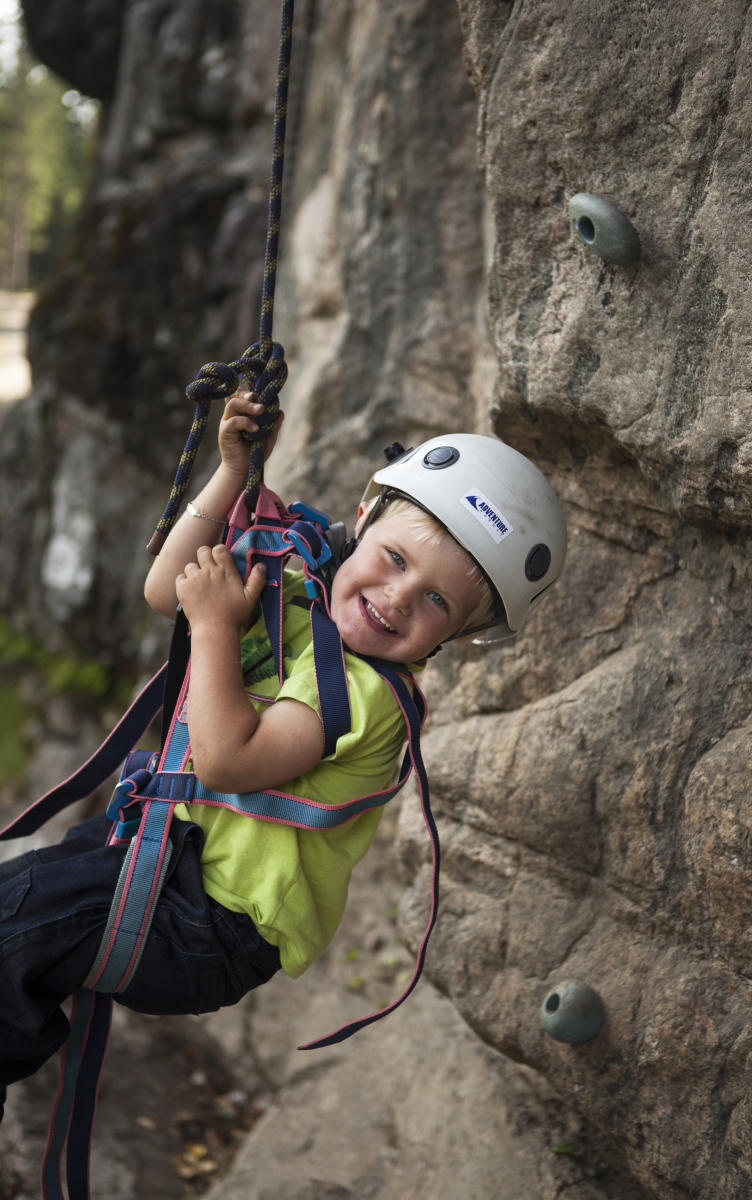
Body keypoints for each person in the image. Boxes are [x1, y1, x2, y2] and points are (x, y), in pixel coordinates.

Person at [0, 389, 566, 1111]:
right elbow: (169, 593)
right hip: (160, 857)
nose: (398, 596)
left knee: (10, 934)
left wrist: (215, 628)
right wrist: (233, 474)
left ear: (461, 635)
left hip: (211, 922)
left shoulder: (366, 696)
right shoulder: (300, 587)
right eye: (395, 558)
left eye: (437, 602)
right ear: (364, 517)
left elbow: (227, 762)